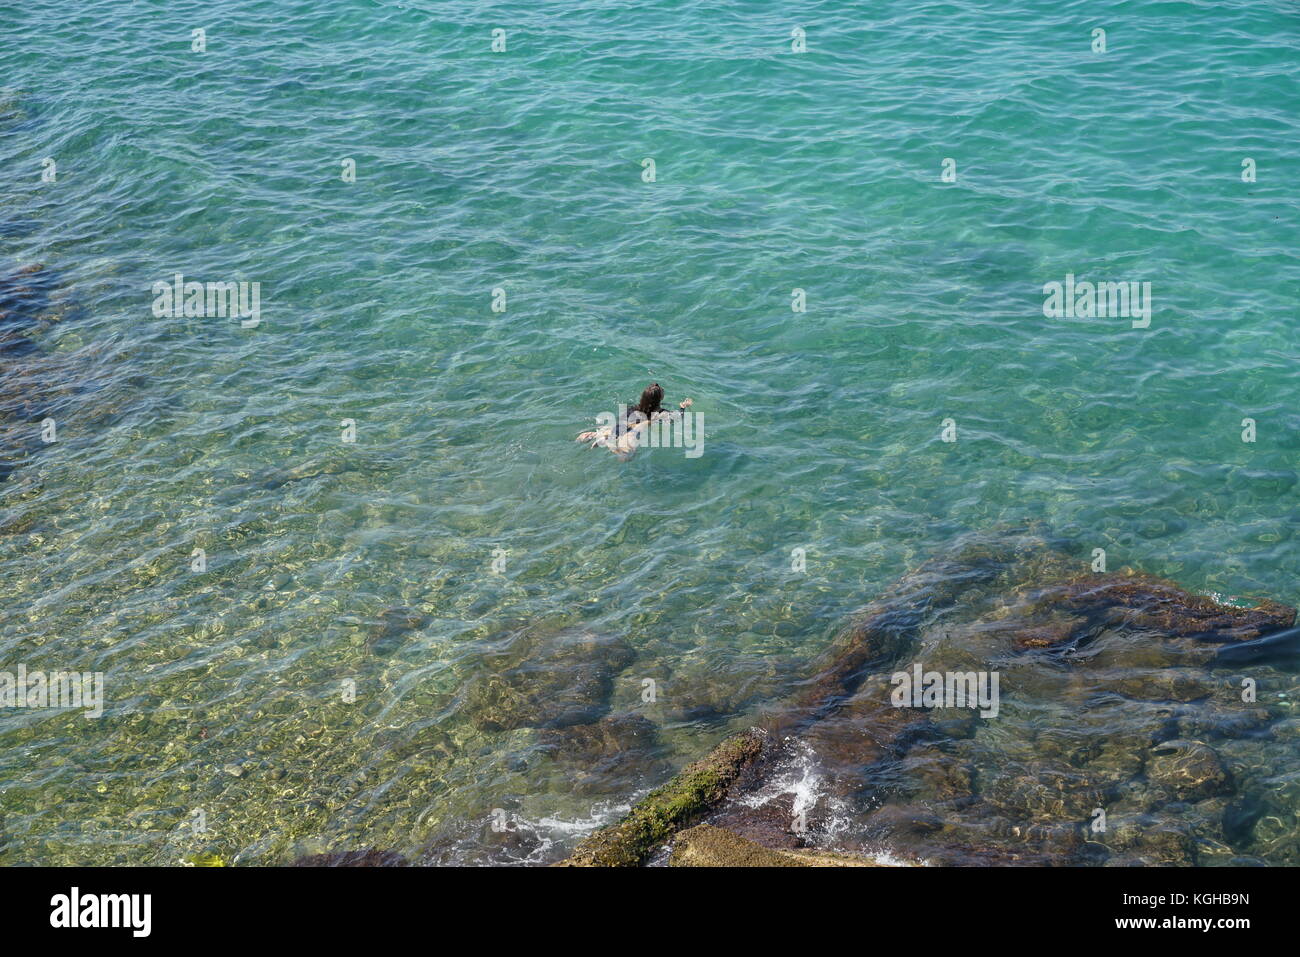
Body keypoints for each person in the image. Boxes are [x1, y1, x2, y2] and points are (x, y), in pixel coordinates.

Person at [576, 382, 692, 460]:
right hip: (632, 433)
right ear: (660, 398)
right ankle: (607, 442)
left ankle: (600, 436)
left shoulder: (632, 408)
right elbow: (677, 418)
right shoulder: (661, 413)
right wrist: (683, 407)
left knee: (604, 434)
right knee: (627, 458)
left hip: (617, 427)